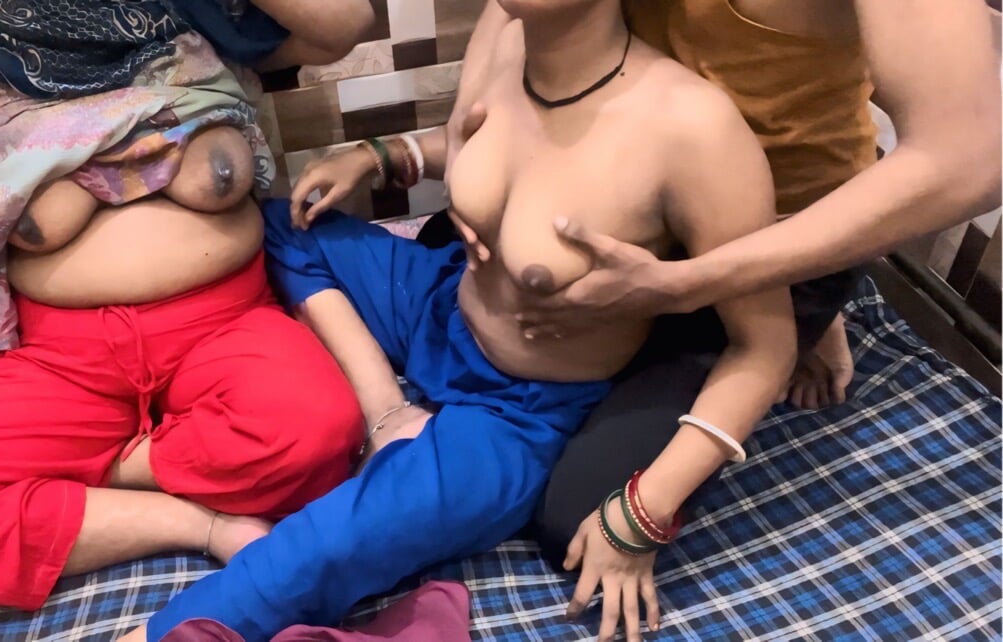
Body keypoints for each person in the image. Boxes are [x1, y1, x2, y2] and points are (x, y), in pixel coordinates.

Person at [123, 1, 797, 641]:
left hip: (518, 410)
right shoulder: (508, 36)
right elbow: (494, 144)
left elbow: (765, 348)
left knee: (332, 543)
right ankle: (386, 411)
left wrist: (646, 509)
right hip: (439, 303)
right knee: (277, 223)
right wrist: (377, 156)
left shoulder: (693, 128)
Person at [426, 0, 1000, 637]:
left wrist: (688, 286)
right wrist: (466, 124)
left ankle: (810, 308)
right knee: (456, 251)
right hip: (641, 193)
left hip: (772, 238)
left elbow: (972, 159)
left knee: (580, 512)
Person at [0, 0, 375, 612]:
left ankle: (93, 477)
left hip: (226, 324)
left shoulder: (204, 17)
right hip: (63, 362)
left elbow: (345, 24)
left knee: (318, 434)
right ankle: (195, 520)